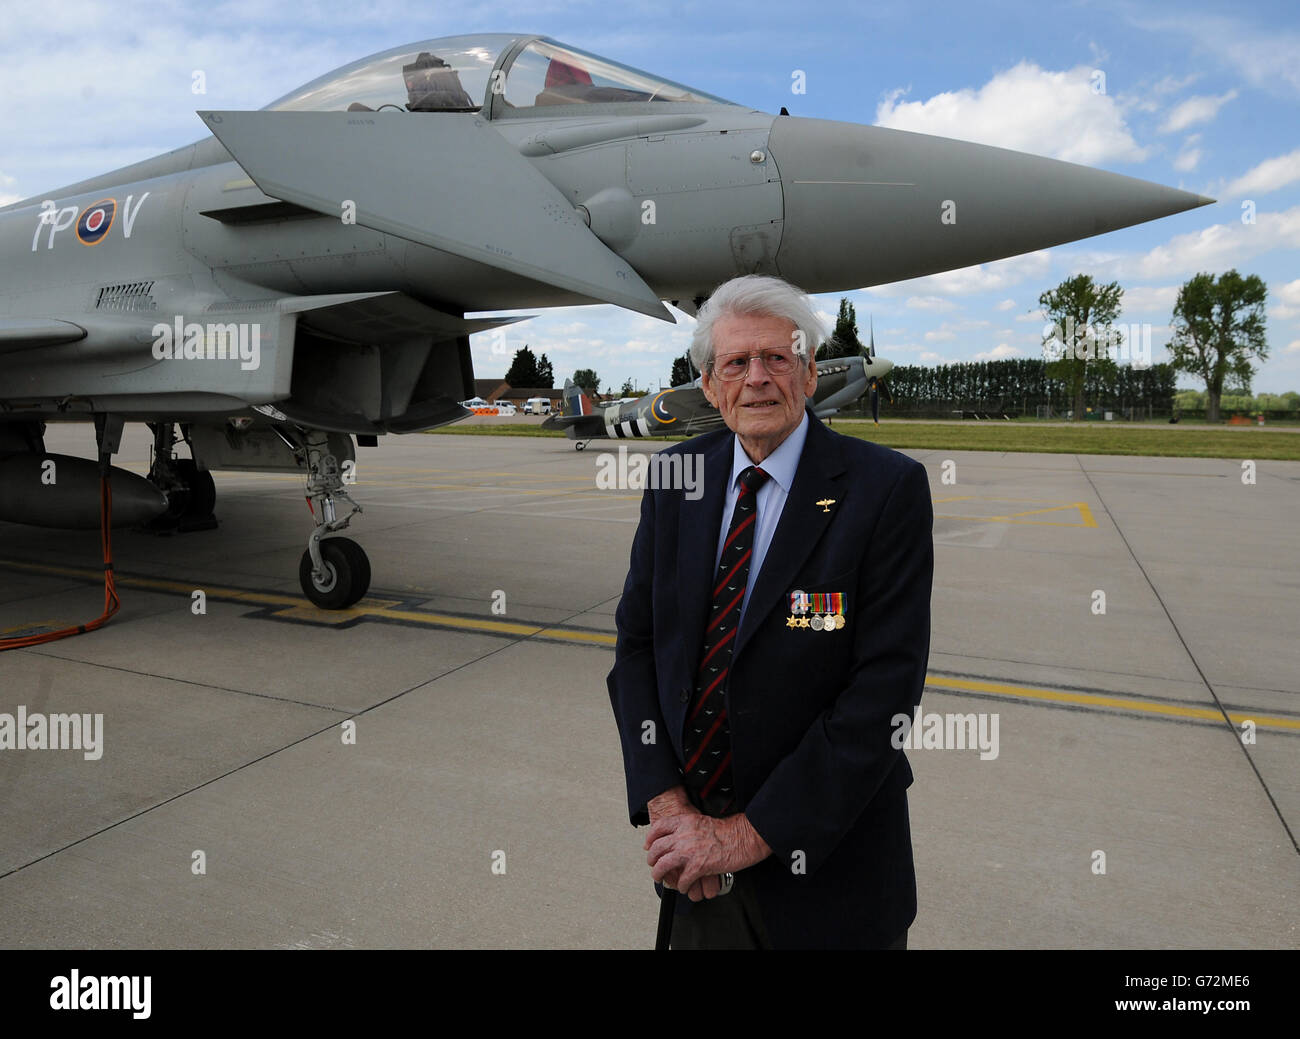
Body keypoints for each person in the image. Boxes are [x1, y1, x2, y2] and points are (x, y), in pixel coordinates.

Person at [607, 274, 933, 949]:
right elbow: (638, 648)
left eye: (777, 358)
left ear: (810, 374)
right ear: (709, 383)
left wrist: (743, 836)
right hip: (696, 869)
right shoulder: (675, 478)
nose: (757, 378)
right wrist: (668, 808)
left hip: (832, 881)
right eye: (736, 362)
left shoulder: (886, 490)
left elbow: (883, 694)